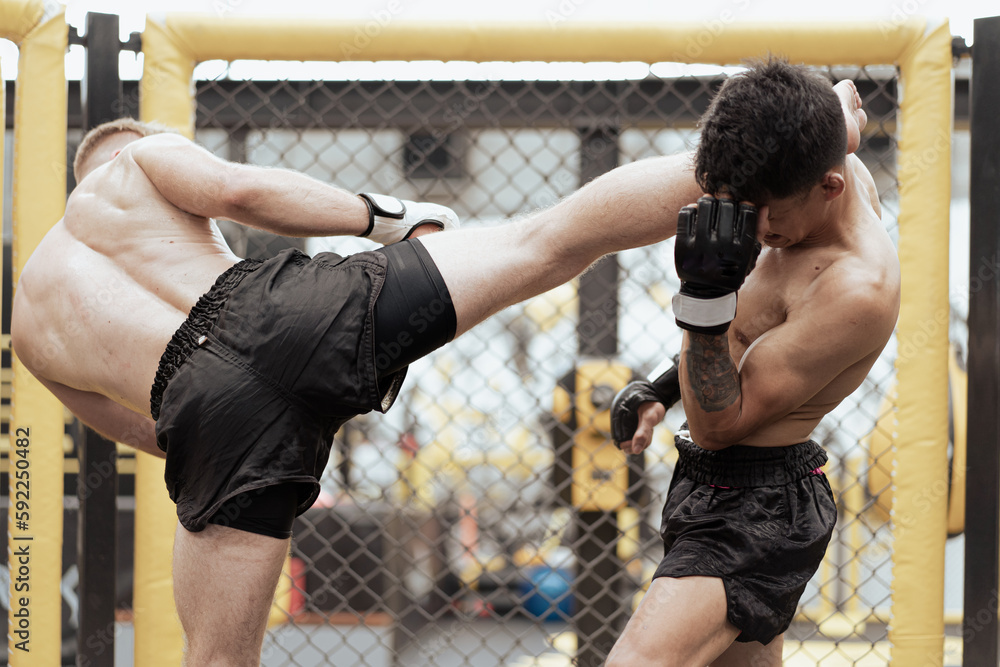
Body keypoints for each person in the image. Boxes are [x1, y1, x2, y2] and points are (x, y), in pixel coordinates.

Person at [11, 115, 708, 664]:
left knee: (216, 658)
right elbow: (239, 193)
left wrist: (248, 443)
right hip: (273, 310)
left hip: (197, 408)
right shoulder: (134, 159)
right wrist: (390, 217)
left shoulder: (29, 329)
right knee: (545, 239)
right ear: (125, 147)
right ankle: (741, 162)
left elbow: (142, 429)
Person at [606, 61, 898, 667]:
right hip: (711, 482)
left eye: (768, 214)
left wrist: (703, 298)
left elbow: (722, 422)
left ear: (831, 187)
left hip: (760, 508)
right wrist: (664, 387)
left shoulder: (853, 287)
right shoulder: (820, 155)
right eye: (739, 207)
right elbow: (837, 105)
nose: (753, 232)